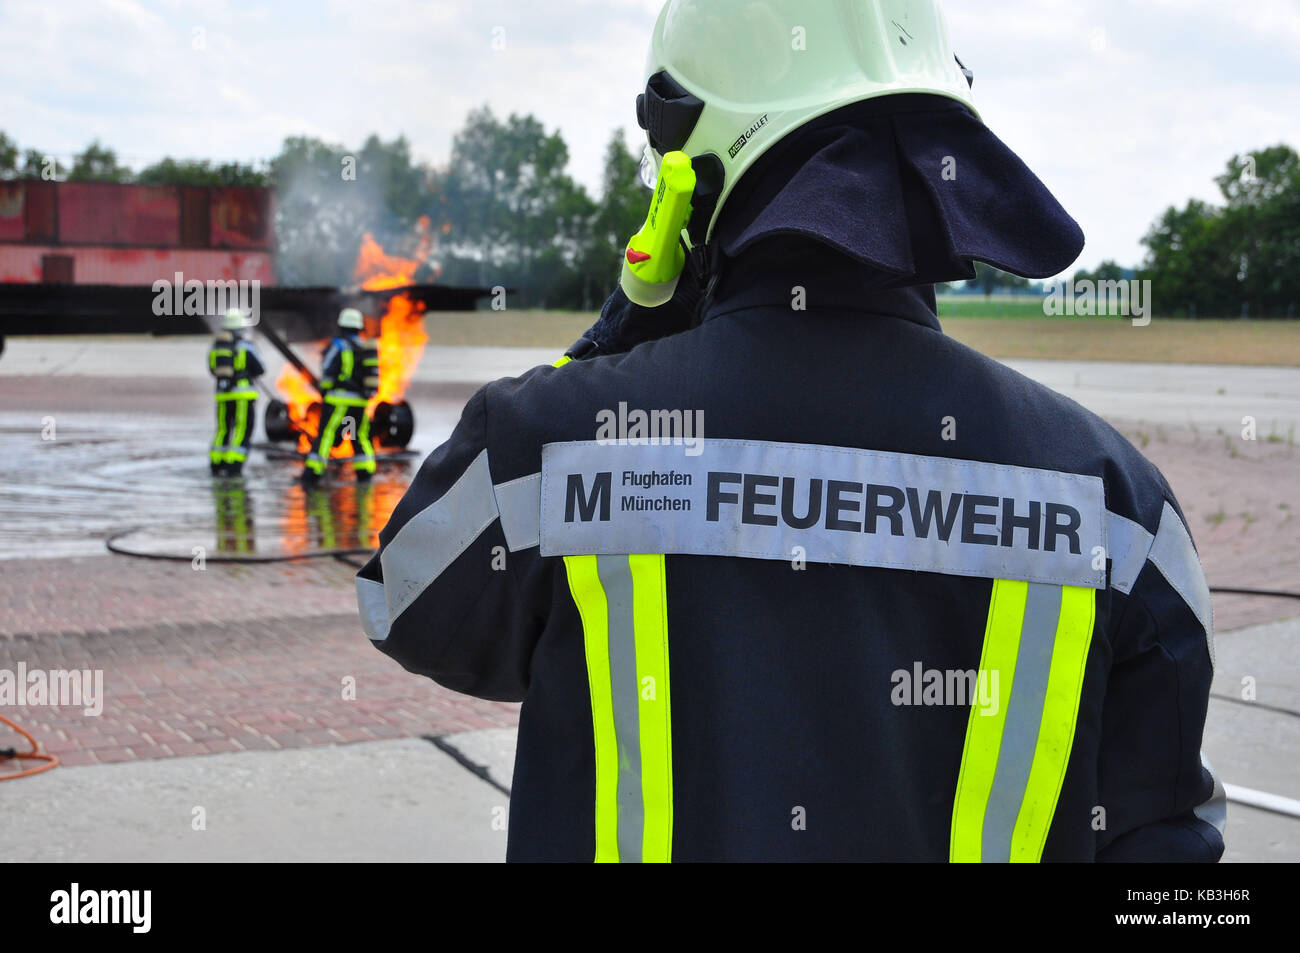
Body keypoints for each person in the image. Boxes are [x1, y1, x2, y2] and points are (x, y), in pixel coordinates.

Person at [356, 0, 1224, 862]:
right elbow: (1169, 858)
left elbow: (401, 598)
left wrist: (620, 334)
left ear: (682, 177)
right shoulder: (1117, 503)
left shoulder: (550, 444)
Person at [301, 308, 379, 484]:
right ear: (359, 328)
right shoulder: (364, 347)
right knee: (358, 435)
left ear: (342, 326)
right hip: (359, 403)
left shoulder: (337, 346)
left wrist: (324, 390)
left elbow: (328, 371)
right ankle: (365, 472)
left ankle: (312, 473)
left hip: (338, 400)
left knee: (327, 434)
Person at [208, 306, 264, 477]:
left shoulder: (217, 347)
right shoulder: (246, 346)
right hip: (243, 396)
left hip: (223, 395)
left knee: (223, 429)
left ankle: (217, 464)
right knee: (242, 429)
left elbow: (212, 368)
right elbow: (260, 368)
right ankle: (234, 465)